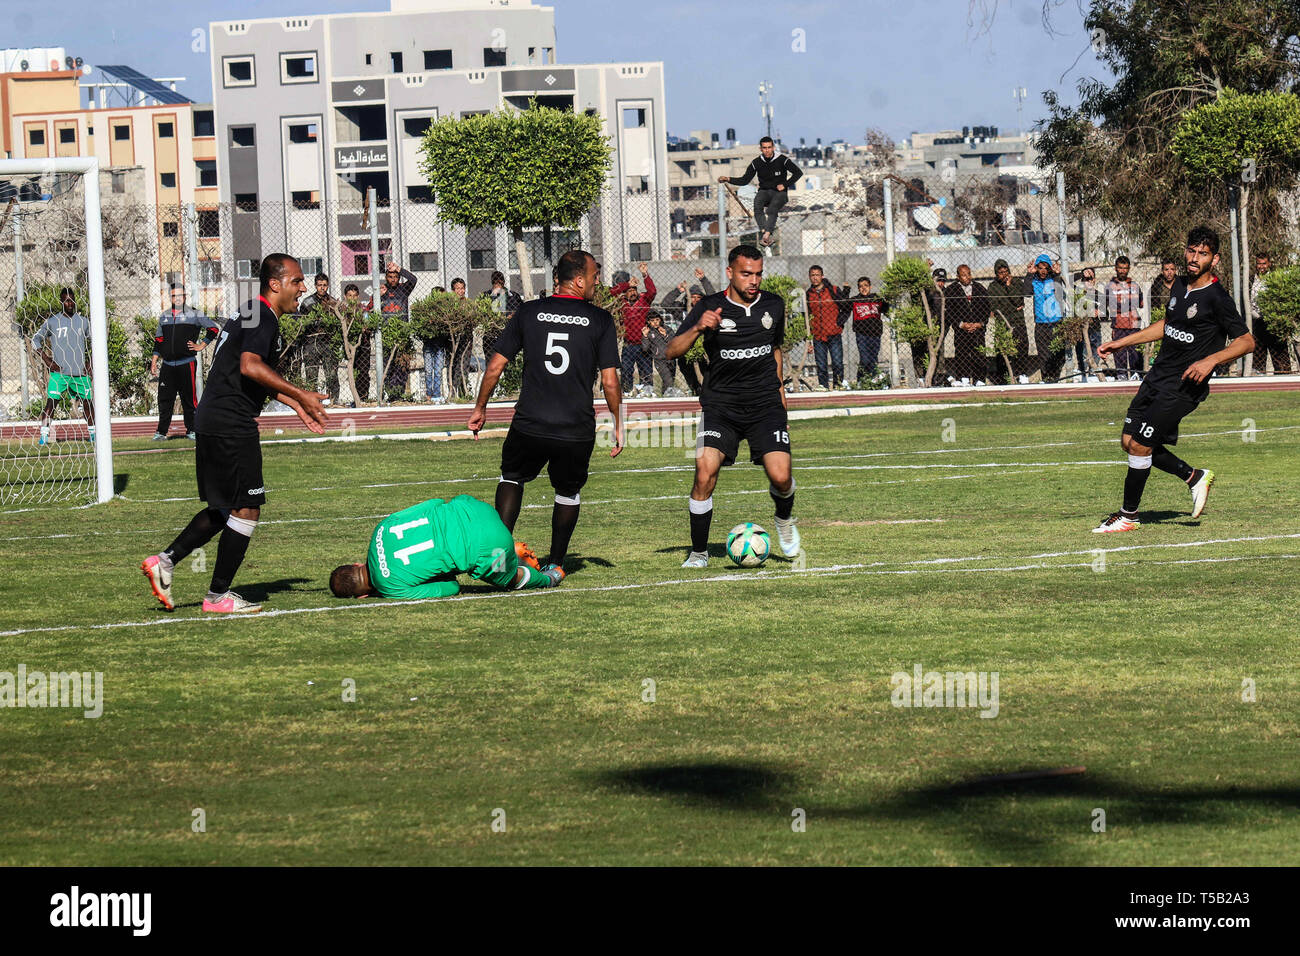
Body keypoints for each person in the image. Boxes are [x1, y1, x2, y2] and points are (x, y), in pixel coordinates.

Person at [140, 255, 330, 614]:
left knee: (223, 508)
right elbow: (250, 366)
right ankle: (217, 596)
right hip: (231, 422)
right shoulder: (264, 316)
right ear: (275, 284)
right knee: (248, 507)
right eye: (297, 281)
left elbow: (250, 373)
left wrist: (295, 402)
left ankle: (164, 562)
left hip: (215, 419)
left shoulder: (251, 311)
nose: (303, 288)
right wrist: (302, 393)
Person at [468, 249, 624, 573]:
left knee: (512, 477)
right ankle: (555, 564)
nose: (597, 282)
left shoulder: (528, 312)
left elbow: (496, 366)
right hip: (575, 427)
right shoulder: (600, 320)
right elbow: (610, 382)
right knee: (567, 491)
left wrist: (480, 408)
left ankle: (499, 557)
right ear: (579, 280)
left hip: (530, 422)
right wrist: (618, 423)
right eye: (594, 276)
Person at [1092, 226, 1253, 533]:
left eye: (1203, 253)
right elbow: (1168, 325)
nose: (1195, 258)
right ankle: (1194, 477)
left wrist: (1210, 360)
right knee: (1129, 442)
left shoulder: (1217, 298)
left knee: (1140, 445)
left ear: (1215, 260)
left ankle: (1129, 516)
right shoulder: (1179, 284)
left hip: (1183, 387)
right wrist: (1121, 342)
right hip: (1157, 377)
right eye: (1191, 250)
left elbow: (1246, 342)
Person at [667, 244, 800, 567]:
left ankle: (783, 520)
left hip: (764, 404)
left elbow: (775, 348)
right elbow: (672, 350)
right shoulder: (709, 307)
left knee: (781, 478)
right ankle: (698, 553)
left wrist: (780, 387)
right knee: (704, 473)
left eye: (758, 274)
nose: (753, 280)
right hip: (721, 406)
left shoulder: (773, 304)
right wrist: (699, 327)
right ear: (730, 273)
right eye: (746, 274)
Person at [329, 495, 565, 600]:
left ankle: (548, 578)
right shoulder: (380, 529)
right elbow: (434, 503)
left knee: (508, 579)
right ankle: (510, 551)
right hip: (473, 507)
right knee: (488, 549)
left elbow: (451, 587)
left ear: (362, 595)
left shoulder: (393, 589)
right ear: (357, 564)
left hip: (491, 548)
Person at [150, 284, 220, 441]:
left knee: (189, 399)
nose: (178, 298)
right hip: (167, 365)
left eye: (180, 295)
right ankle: (161, 432)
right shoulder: (165, 316)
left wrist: (201, 345)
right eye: (174, 296)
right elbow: (159, 340)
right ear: (170, 297)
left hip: (186, 363)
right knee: (164, 400)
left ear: (185, 296)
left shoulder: (194, 314)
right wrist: (154, 360)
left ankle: (192, 430)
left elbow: (213, 329)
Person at [31, 288, 94, 446]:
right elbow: (35, 339)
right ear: (61, 302)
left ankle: (93, 435)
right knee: (51, 402)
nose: (70, 303)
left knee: (88, 404)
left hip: (80, 373)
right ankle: (44, 437)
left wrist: (91, 363)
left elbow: (97, 340)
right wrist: (46, 359)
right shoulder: (53, 322)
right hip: (60, 373)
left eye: (72, 300)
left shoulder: (84, 321)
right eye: (66, 300)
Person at [718, 136, 803, 247]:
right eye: (764, 148)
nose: (767, 150)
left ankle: (766, 235)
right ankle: (765, 232)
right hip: (764, 192)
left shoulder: (782, 159)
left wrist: (785, 184)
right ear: (761, 149)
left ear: (773, 147)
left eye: (769, 147)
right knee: (757, 204)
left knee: (771, 210)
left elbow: (798, 173)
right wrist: (728, 179)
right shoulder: (756, 163)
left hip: (779, 193)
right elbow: (745, 180)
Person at [661, 268, 715, 395]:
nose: (695, 300)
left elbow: (713, 297)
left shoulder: (704, 310)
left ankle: (706, 391)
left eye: (698, 297)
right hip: (684, 348)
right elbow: (665, 303)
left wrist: (703, 279)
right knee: (689, 374)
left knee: (706, 373)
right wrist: (678, 290)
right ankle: (694, 390)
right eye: (693, 297)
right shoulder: (680, 310)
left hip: (702, 348)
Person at [609, 262, 656, 395]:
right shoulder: (621, 303)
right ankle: (627, 391)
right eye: (629, 291)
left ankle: (646, 392)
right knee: (626, 370)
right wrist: (627, 284)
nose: (632, 293)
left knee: (646, 370)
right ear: (625, 294)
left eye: (634, 290)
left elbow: (652, 291)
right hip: (628, 344)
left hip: (643, 343)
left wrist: (644, 274)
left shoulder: (644, 301)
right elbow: (611, 293)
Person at [943, 264, 990, 384]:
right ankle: (963, 378)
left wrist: (980, 323)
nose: (967, 277)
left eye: (968, 274)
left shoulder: (979, 288)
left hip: (977, 329)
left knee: (979, 354)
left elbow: (986, 308)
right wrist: (960, 324)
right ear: (958, 276)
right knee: (962, 353)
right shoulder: (951, 290)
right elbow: (949, 311)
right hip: (961, 329)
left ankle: (979, 379)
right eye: (963, 275)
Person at [987, 259, 1031, 384]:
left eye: (1006, 271)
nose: (1004, 275)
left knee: (1022, 349)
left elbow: (1019, 302)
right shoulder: (993, 287)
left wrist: (1009, 286)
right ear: (996, 274)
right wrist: (1012, 307)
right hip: (1003, 323)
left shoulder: (1016, 282)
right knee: (1002, 352)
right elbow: (994, 308)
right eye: (1001, 272)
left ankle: (1022, 374)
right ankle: (1003, 377)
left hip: (1018, 322)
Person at [1249, 253, 1293, 374]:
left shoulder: (1275, 278)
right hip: (1257, 323)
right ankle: (1258, 376)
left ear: (1269, 264)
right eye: (1259, 263)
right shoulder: (1250, 280)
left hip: (1273, 322)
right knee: (1258, 354)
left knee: (1280, 354)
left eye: (1264, 263)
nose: (1261, 266)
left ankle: (1284, 376)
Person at [1026, 254, 1067, 382]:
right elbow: (1027, 293)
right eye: (1040, 268)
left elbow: (1060, 291)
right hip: (1041, 323)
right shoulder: (1034, 281)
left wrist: (1056, 274)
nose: (1043, 271)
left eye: (1046, 268)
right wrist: (1029, 274)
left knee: (1058, 353)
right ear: (1036, 268)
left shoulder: (1053, 279)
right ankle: (1046, 378)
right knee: (1043, 355)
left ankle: (1056, 377)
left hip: (1056, 322)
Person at [1105, 256, 1145, 380]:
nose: (1123, 271)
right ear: (1116, 268)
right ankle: (1121, 373)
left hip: (1133, 323)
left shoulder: (1134, 285)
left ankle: (1136, 373)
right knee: (1119, 350)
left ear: (1128, 269)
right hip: (1118, 324)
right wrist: (1127, 303)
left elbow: (1140, 303)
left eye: (1125, 268)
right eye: (1120, 268)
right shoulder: (1110, 286)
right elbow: (1111, 304)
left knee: (1135, 350)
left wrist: (1124, 303)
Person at [806, 265, 845, 389]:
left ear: (822, 276)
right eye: (812, 275)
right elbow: (806, 317)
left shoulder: (833, 290)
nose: (815, 278)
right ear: (809, 277)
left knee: (837, 363)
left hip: (834, 333)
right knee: (821, 365)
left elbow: (846, 307)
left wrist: (839, 323)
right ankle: (823, 386)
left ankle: (838, 385)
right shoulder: (808, 295)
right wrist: (808, 339)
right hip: (818, 335)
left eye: (817, 275)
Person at [847, 276, 888, 385]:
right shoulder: (855, 300)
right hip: (862, 334)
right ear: (858, 288)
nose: (863, 288)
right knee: (865, 359)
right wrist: (846, 290)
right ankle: (867, 379)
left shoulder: (877, 298)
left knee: (873, 358)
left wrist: (887, 294)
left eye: (865, 285)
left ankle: (867, 380)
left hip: (875, 333)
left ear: (870, 286)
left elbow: (886, 308)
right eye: (860, 286)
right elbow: (844, 305)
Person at [1072, 267, 1105, 379]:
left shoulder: (1099, 295)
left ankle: (1093, 372)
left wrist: (1100, 312)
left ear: (1094, 280)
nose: (1088, 282)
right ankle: (1083, 373)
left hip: (1095, 329)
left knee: (1095, 351)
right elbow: (1063, 281)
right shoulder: (1077, 292)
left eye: (1090, 279)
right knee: (1082, 352)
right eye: (1086, 280)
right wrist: (1080, 275)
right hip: (1081, 330)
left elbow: (1107, 313)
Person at [644, 311, 675, 394]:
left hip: (671, 358)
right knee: (668, 380)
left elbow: (674, 343)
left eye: (657, 320)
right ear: (648, 322)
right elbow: (645, 348)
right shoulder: (648, 332)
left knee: (670, 380)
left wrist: (665, 335)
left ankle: (664, 396)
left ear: (660, 320)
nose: (655, 322)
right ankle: (668, 396)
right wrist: (645, 336)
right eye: (652, 320)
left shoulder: (667, 329)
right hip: (659, 360)